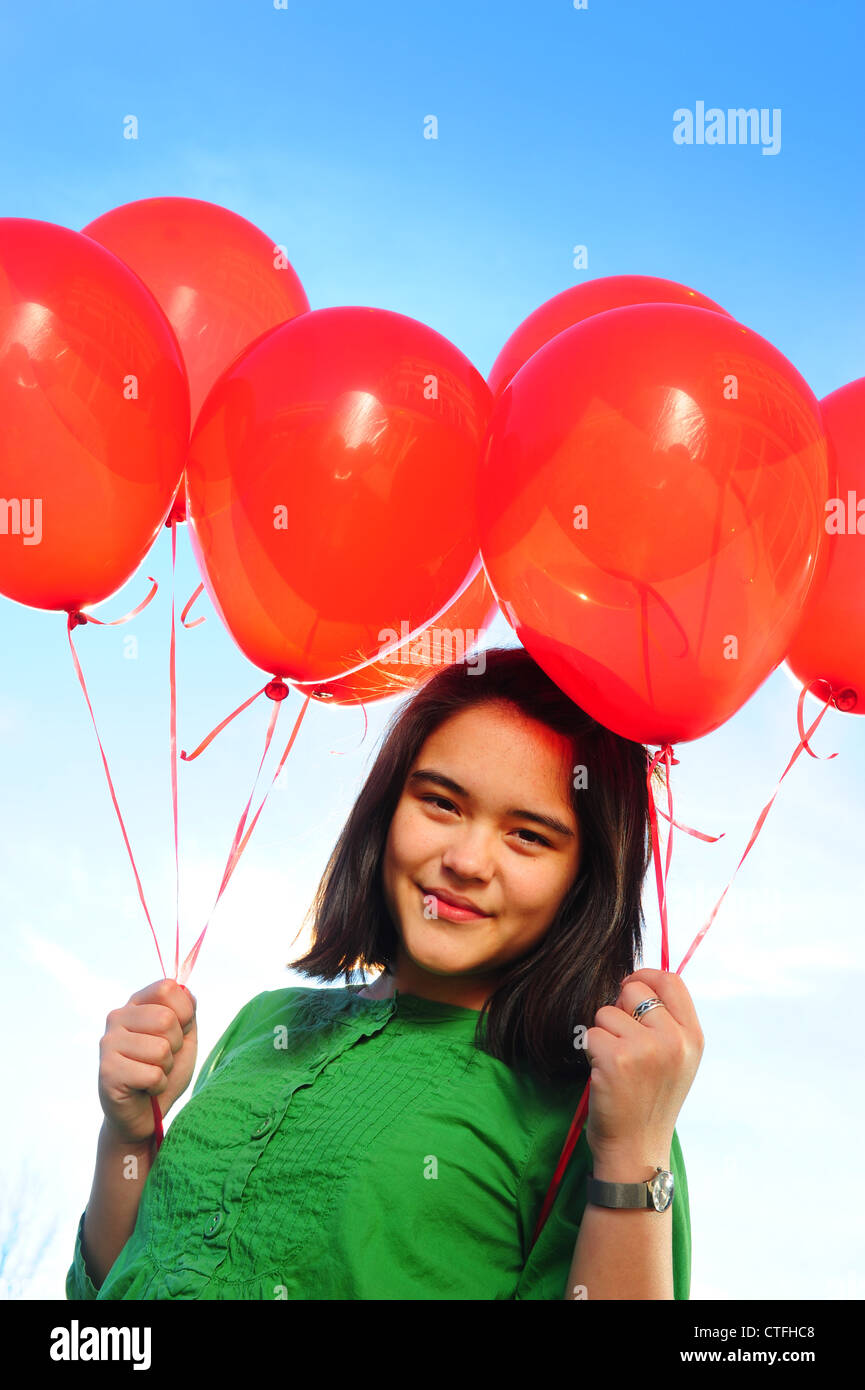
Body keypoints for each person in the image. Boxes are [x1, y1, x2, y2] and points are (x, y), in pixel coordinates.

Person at [66, 645, 703, 1300]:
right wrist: (129, 1131)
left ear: (584, 880)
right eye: (442, 803)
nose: (466, 860)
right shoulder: (269, 1020)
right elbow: (113, 1289)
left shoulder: (596, 1107)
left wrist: (633, 1156)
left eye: (528, 836)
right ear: (386, 809)